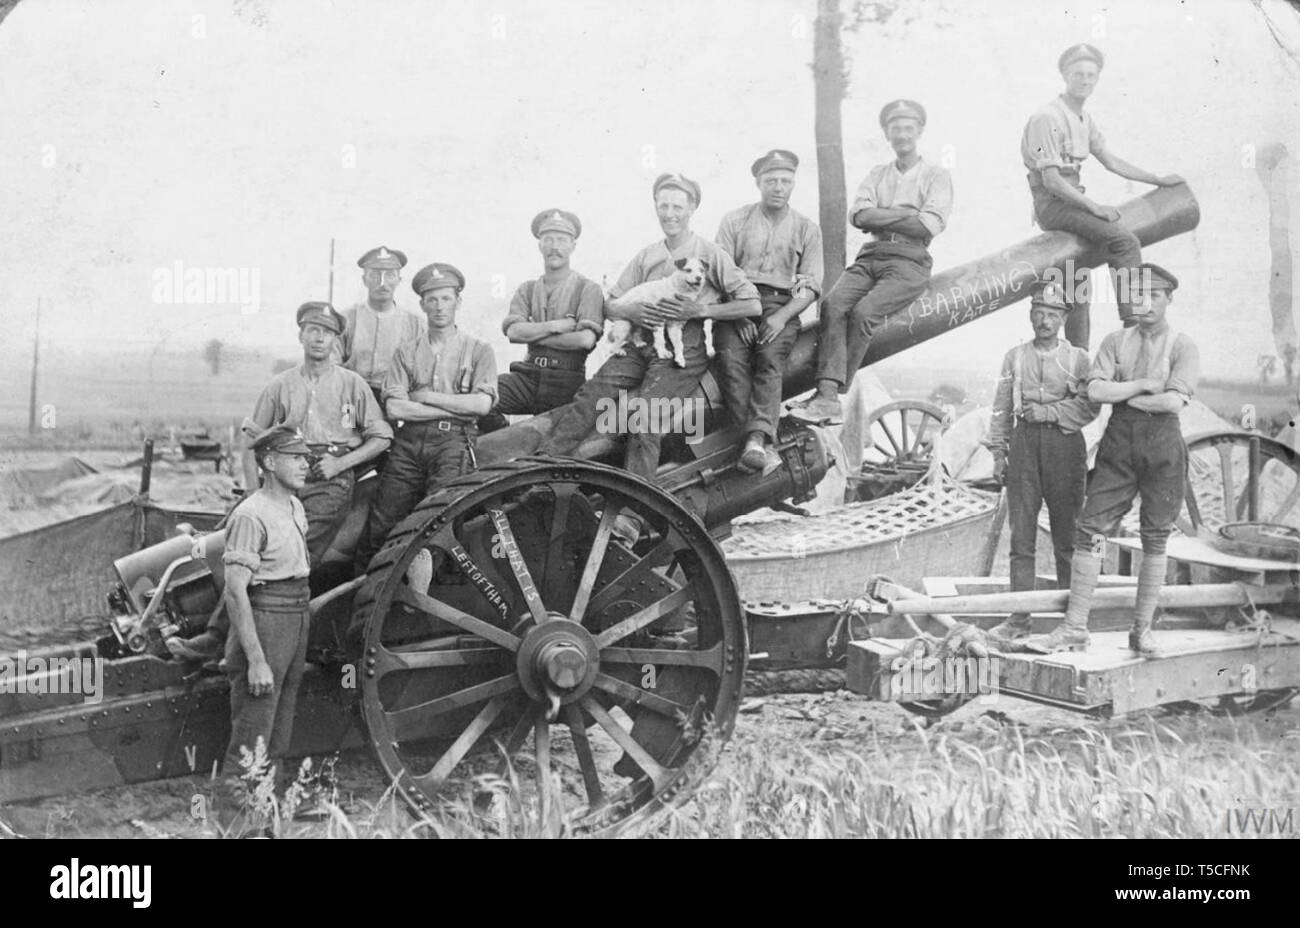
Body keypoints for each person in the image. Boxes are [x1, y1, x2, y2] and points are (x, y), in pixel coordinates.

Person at [537, 173, 761, 540]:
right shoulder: (648, 255)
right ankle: (538, 473)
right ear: (656, 207)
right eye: (663, 205)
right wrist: (632, 313)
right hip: (639, 345)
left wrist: (699, 313)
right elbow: (611, 302)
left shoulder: (709, 254)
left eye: (677, 206)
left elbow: (750, 302)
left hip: (680, 352)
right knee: (589, 398)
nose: (670, 213)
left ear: (692, 208)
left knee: (645, 416)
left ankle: (633, 515)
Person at [1023, 263, 1199, 657]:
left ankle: (1142, 631)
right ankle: (1074, 627)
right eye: (1137, 294)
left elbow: (1173, 400)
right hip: (1119, 443)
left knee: (1155, 535)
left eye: (1154, 295)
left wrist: (1124, 394)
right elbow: (1096, 392)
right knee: (1092, 530)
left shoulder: (1183, 346)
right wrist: (1140, 386)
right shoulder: (1115, 341)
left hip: (1163, 446)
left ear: (1169, 299)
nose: (1144, 302)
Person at [790, 99, 952, 424]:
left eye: (908, 128)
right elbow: (859, 215)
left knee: (864, 313)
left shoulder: (936, 175)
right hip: (872, 255)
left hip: (909, 261)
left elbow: (927, 225)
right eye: (896, 129)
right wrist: (905, 213)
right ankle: (825, 399)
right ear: (887, 133)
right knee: (833, 304)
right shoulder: (878, 174)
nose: (902, 135)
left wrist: (880, 217)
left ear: (919, 131)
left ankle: (831, 395)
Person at [1022, 43, 1184, 347]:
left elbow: (1111, 161)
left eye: (1091, 75)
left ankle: (1078, 355)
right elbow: (1053, 181)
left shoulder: (1083, 118)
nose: (1085, 80)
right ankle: (1134, 321)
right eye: (1078, 74)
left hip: (1071, 201)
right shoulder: (1048, 117)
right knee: (1125, 242)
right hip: (1054, 204)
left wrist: (1156, 179)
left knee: (1077, 280)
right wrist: (1094, 207)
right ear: (1065, 75)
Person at [356, 263, 498, 570]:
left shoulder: (479, 350)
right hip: (408, 443)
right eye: (432, 300)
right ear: (422, 304)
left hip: (452, 444)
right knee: (381, 525)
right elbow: (395, 408)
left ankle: (423, 602)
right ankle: (368, 598)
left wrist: (427, 397)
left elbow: (482, 405)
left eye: (446, 299)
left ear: (458, 302)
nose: (439, 307)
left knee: (440, 523)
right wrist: (454, 407)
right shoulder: (406, 352)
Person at [983, 280, 1099, 643]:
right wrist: (999, 454)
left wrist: (1049, 412)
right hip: (1023, 446)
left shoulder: (1079, 359)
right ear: (1030, 315)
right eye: (1039, 313)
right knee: (1022, 539)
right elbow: (1002, 407)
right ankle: (1019, 619)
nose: (1045, 321)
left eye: (1052, 314)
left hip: (1065, 447)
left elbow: (1089, 406)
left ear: (1064, 317)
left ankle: (1071, 623)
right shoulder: (1014, 357)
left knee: (1067, 536)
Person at [245, 302, 392, 570]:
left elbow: (382, 438)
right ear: (301, 335)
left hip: (329, 478)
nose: (319, 338)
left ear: (336, 340)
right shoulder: (280, 385)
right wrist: (254, 493)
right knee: (239, 531)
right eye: (313, 330)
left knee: (295, 542)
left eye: (327, 332)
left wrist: (340, 464)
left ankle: (277, 600)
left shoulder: (351, 384)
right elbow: (251, 440)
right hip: (281, 476)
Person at [714, 149, 824, 471]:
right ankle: (758, 441)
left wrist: (780, 317)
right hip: (736, 304)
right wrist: (741, 314)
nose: (778, 187)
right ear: (758, 183)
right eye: (771, 180)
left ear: (793, 184)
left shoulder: (806, 228)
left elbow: (810, 286)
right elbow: (720, 272)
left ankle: (755, 441)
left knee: (769, 359)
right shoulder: (734, 220)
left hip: (781, 305)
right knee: (731, 362)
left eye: (785, 181)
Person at [218, 425, 313, 786]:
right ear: (270, 462)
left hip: (295, 617)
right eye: (296, 458)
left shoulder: (294, 505)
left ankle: (267, 814)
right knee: (252, 736)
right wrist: (256, 660)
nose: (306, 465)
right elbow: (234, 592)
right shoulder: (250, 514)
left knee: (279, 733)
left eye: (306, 457)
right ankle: (238, 822)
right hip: (266, 620)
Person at [478, 210, 604, 433]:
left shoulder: (588, 289)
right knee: (480, 397)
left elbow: (584, 340)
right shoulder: (527, 289)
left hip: (567, 381)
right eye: (548, 239)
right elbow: (514, 333)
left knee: (560, 444)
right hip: (527, 376)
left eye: (562, 240)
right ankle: (507, 443)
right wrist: (555, 326)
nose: (554, 246)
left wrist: (534, 333)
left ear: (573, 245)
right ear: (540, 245)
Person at [336, 245, 426, 412]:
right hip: (349, 400)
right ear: (364, 280)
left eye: (390, 275)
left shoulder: (416, 324)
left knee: (390, 436)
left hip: (395, 401)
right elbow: (331, 365)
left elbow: (422, 372)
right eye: (375, 275)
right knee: (347, 433)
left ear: (399, 280)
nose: (382, 283)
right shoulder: (345, 319)